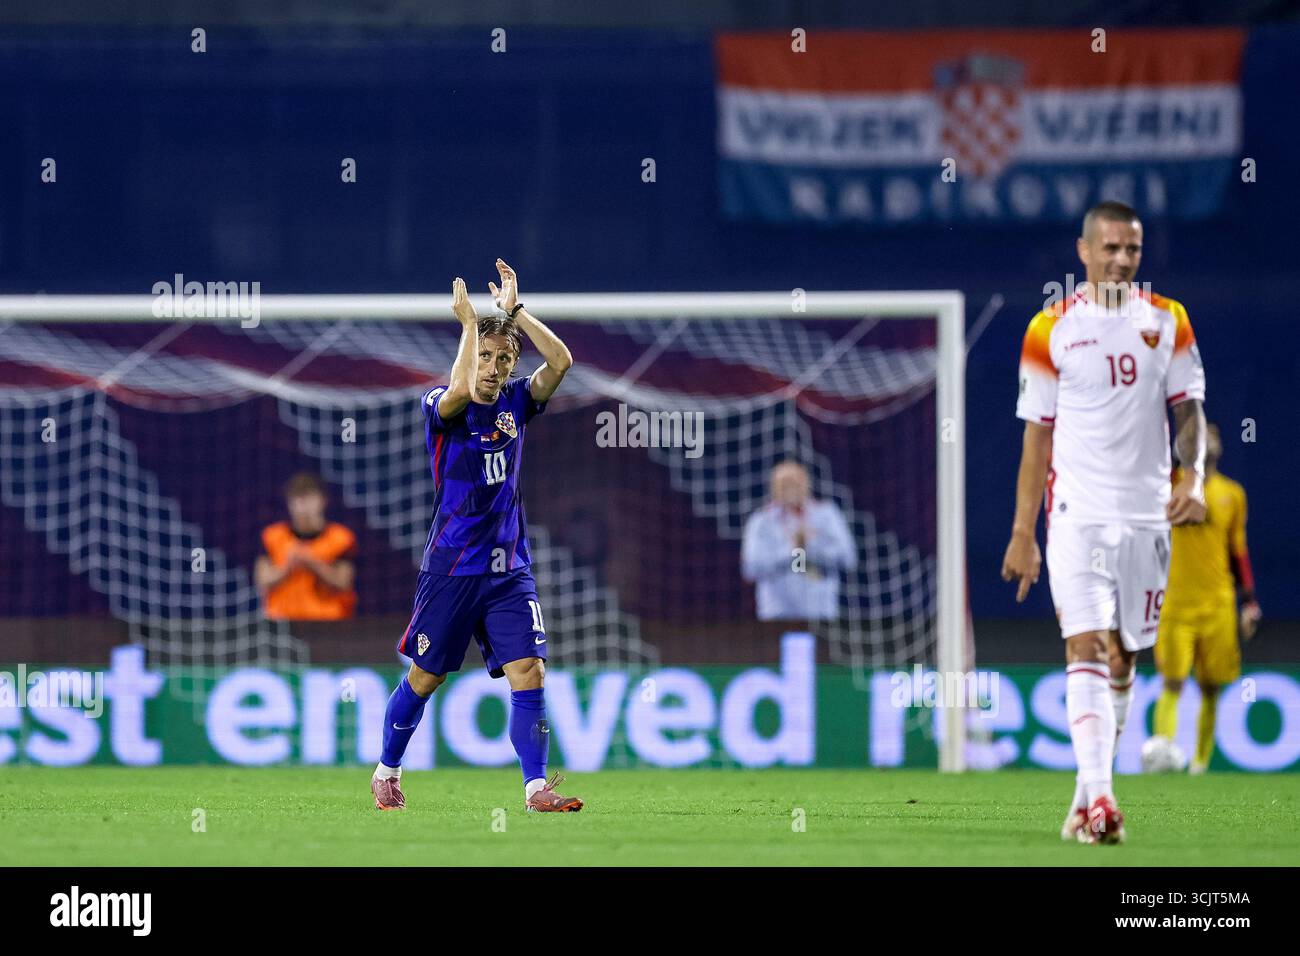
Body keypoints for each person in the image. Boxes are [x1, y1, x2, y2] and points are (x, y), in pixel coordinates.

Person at [1001, 200, 1207, 845]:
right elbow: (1036, 439)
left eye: (1132, 249)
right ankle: (1105, 804)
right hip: (1076, 516)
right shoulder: (1049, 328)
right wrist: (1021, 532)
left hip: (1148, 516)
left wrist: (1192, 478)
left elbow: (1190, 413)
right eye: (1110, 248)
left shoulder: (1168, 320)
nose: (1122, 259)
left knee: (1124, 657)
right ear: (1083, 252)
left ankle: (1084, 796)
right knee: (1085, 646)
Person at [371, 259, 581, 812]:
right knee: (425, 677)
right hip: (451, 569)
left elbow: (561, 361)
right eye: (485, 357)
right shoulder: (442, 407)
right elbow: (461, 391)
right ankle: (387, 770)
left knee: (530, 669)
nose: (492, 368)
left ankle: (536, 790)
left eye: (502, 359)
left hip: (509, 569)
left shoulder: (516, 403)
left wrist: (515, 313)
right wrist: (470, 326)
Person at [1153, 423, 1261, 773]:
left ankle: (1200, 764)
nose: (1205, 437)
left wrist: (1249, 602)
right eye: (1197, 434)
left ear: (1221, 446)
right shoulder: (1168, 484)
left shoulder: (1232, 494)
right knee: (1171, 681)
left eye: (1211, 433)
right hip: (1175, 603)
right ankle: (1163, 755)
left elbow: (1238, 551)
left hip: (1217, 604)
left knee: (1210, 686)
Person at [741, 461, 855, 622]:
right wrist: (792, 549)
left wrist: (811, 546)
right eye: (784, 483)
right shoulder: (761, 521)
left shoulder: (827, 514)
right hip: (777, 615)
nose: (790, 488)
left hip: (821, 613)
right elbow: (751, 567)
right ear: (774, 488)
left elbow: (848, 558)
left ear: (806, 484)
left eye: (795, 482)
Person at [255, 473, 357, 620]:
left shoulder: (341, 538)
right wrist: (287, 567)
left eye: (309, 498)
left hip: (328, 622)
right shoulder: (272, 536)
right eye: (297, 499)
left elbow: (344, 583)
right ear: (289, 503)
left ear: (323, 501)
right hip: (282, 622)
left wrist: (313, 564)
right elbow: (262, 581)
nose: (303, 506)